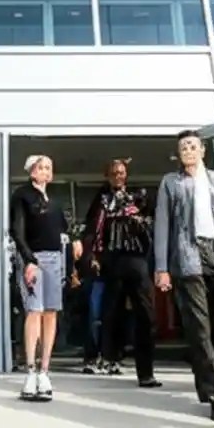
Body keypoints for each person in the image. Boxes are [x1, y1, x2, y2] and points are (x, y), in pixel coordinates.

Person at [154, 130, 214, 422]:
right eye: (183, 147)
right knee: (199, 328)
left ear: (203, 150)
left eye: (192, 145)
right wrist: (162, 268)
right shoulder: (171, 183)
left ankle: (204, 376)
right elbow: (162, 226)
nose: (187, 150)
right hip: (187, 255)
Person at [81, 158, 160, 387]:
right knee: (110, 312)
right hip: (112, 260)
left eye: (122, 172)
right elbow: (93, 229)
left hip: (137, 260)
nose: (118, 176)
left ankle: (146, 371)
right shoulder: (102, 199)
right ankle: (109, 358)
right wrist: (93, 256)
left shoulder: (138, 197)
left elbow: (151, 222)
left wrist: (140, 220)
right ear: (107, 175)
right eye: (114, 172)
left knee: (145, 314)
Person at [10, 155, 81, 401]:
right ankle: (30, 371)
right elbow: (17, 231)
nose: (45, 171)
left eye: (49, 167)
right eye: (41, 167)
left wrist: (74, 246)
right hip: (34, 258)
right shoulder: (22, 195)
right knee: (34, 311)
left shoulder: (55, 201)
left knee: (51, 311)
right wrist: (28, 260)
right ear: (31, 172)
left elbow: (64, 231)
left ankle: (44, 371)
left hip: (55, 260)